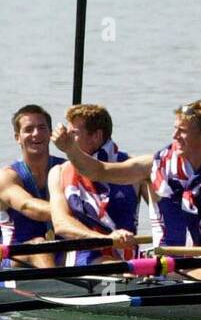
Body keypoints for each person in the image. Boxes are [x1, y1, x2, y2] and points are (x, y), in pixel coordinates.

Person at [53, 99, 201, 280]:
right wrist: (71, 149)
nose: (174, 136)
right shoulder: (154, 167)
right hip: (169, 259)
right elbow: (99, 171)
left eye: (182, 131)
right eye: (175, 129)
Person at [46, 105, 143, 265]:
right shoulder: (59, 172)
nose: (67, 139)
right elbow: (61, 225)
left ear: (96, 136)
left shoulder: (133, 167)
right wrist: (105, 239)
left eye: (73, 134)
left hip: (128, 258)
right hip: (84, 260)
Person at [0, 105, 65, 269]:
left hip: (60, 249)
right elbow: (29, 207)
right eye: (29, 129)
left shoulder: (66, 168)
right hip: (16, 254)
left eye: (42, 128)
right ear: (17, 137)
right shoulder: (6, 176)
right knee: (40, 246)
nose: (36, 134)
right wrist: (77, 210)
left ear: (51, 133)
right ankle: (60, 288)